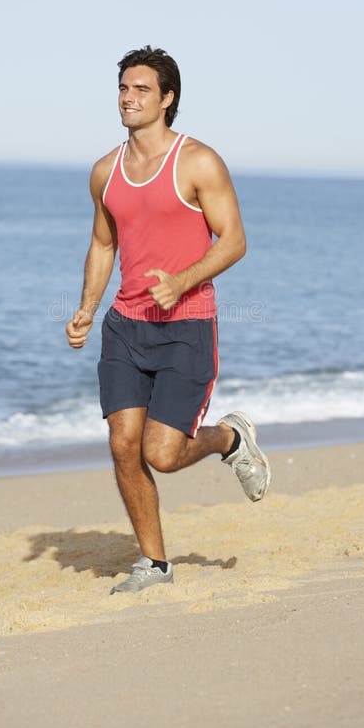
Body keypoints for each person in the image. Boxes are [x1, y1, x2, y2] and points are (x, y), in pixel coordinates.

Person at [66, 45, 271, 594]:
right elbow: (103, 243)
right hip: (125, 327)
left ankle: (228, 438)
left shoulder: (199, 161)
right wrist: (86, 307)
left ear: (167, 99)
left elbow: (235, 240)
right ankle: (154, 564)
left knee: (163, 452)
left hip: (186, 325)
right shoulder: (105, 172)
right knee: (122, 444)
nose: (128, 98)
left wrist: (181, 281)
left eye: (141, 90)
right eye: (124, 88)